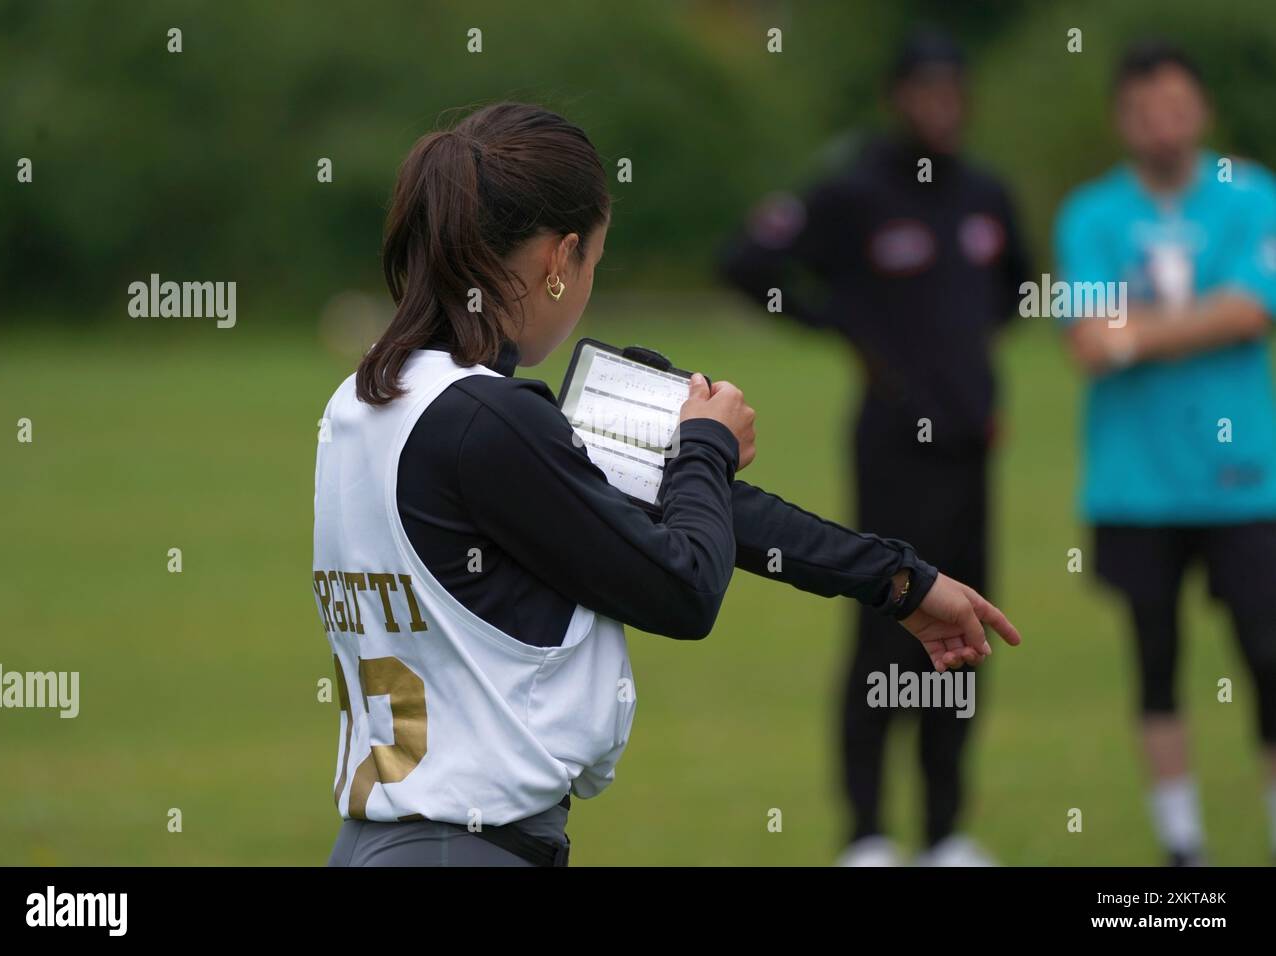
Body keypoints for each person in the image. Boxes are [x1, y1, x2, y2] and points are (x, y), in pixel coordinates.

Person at [314, 102, 1019, 867]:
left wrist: (899, 581)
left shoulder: (371, 400)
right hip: (465, 850)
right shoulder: (492, 420)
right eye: (595, 262)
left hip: (377, 844)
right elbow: (684, 586)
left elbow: (686, 512)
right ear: (559, 258)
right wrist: (706, 446)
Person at [720, 30, 1028, 866]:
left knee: (968, 631)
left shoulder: (985, 194)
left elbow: (1016, 292)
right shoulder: (855, 191)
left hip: (972, 449)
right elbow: (749, 262)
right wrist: (840, 325)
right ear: (899, 97)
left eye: (953, 90)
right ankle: (867, 833)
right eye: (926, 91)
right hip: (894, 447)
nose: (942, 106)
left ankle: (947, 832)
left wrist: (965, 377)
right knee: (889, 621)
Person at [1055, 40, 1276, 866]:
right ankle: (1183, 842)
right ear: (1123, 120)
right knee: (1156, 658)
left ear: (1203, 109)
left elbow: (1254, 314)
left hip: (1245, 478)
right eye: (1147, 110)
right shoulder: (1090, 214)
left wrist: (1138, 334)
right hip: (1134, 483)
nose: (1165, 124)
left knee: (1267, 653)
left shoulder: (1252, 195)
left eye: (1178, 106)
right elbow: (1085, 340)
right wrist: (1206, 316)